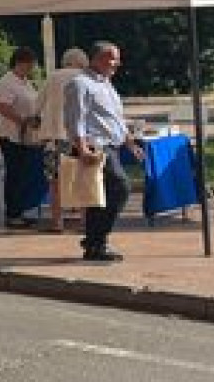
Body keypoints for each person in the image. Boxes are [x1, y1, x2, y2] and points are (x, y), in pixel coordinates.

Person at [64, 41, 143, 262]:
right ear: (95, 59)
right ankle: (96, 240)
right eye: (110, 57)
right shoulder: (80, 84)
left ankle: (94, 243)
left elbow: (115, 118)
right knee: (120, 186)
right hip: (95, 146)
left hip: (112, 145)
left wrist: (129, 142)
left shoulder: (106, 84)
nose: (116, 63)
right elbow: (75, 119)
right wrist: (82, 149)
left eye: (117, 57)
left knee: (103, 196)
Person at [35, 47, 90, 233]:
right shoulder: (87, 76)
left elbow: (38, 103)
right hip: (79, 137)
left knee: (55, 181)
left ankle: (57, 222)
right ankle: (84, 221)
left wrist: (35, 119)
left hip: (54, 136)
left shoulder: (53, 77)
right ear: (82, 62)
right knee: (82, 178)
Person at [0, 46, 41, 230]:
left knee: (23, 175)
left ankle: (19, 211)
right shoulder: (6, 82)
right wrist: (22, 121)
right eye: (29, 65)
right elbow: (0, 106)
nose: (31, 68)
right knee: (14, 175)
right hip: (10, 135)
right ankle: (12, 214)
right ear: (20, 63)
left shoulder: (25, 82)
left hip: (25, 136)